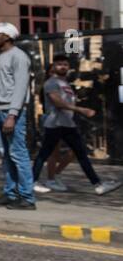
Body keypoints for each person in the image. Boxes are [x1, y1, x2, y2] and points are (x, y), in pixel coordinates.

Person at [32, 54, 118, 196]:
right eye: (59, 64)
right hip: (55, 124)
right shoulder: (51, 83)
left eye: (65, 64)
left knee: (80, 153)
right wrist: (81, 110)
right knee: (45, 154)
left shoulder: (65, 83)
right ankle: (33, 181)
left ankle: (98, 184)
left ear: (69, 67)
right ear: (54, 66)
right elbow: (58, 103)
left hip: (67, 124)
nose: (62, 66)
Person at [0, 23, 35, 210]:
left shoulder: (19, 57)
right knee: (6, 155)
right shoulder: (1, 57)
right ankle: (11, 193)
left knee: (18, 154)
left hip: (10, 112)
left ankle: (27, 198)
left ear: (7, 36)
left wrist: (12, 115)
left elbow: (21, 88)